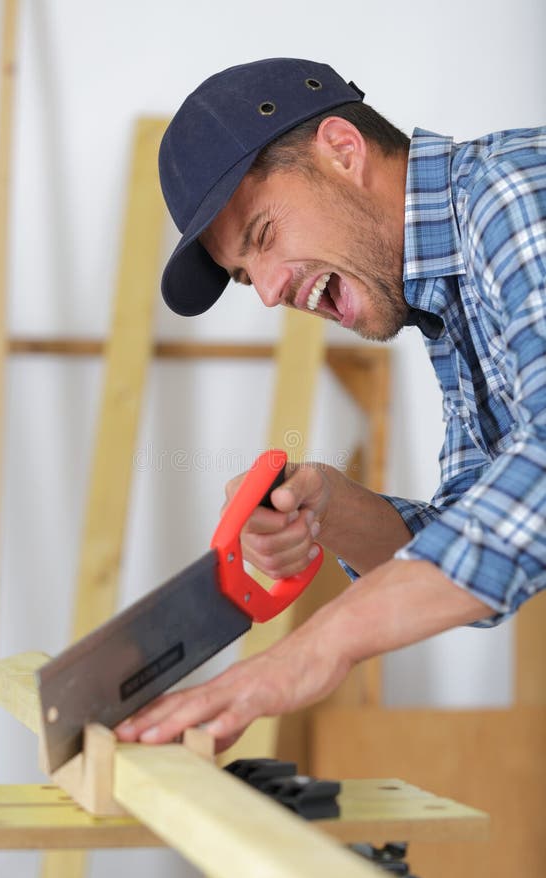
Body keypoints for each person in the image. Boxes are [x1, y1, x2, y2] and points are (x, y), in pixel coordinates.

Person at [116, 57, 546, 752]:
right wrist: (332, 508)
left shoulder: (512, 196)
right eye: (244, 276)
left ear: (344, 151)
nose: (269, 293)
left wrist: (319, 648)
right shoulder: (445, 297)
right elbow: (482, 543)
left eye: (263, 236)